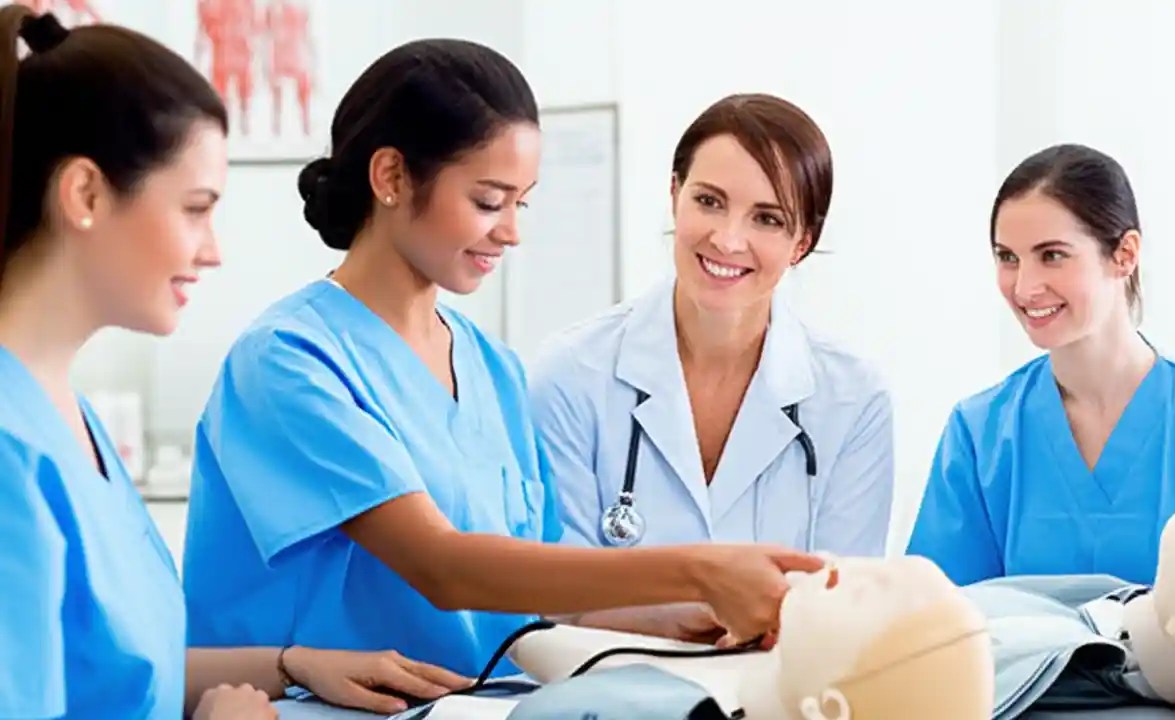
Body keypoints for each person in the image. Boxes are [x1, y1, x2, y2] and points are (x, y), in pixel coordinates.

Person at [181, 39, 824, 680]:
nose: (512, 231)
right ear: (392, 178)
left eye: (523, 202)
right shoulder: (289, 361)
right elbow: (442, 567)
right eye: (489, 201)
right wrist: (699, 569)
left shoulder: (493, 369)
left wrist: (671, 616)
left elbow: (539, 598)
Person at [0, 10, 482, 719]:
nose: (213, 250)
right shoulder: (13, 450)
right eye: (195, 209)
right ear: (86, 195)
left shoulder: (68, 418)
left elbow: (116, 671)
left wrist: (290, 665)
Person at [528, 94, 893, 566]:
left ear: (801, 242)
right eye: (709, 201)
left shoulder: (854, 399)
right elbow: (561, 588)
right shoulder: (571, 374)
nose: (727, 239)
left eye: (767, 219)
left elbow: (844, 595)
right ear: (674, 194)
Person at [906, 143, 1175, 587]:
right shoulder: (979, 434)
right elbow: (937, 614)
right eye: (1007, 257)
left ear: (1125, 254)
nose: (1024, 288)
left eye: (1052, 255)